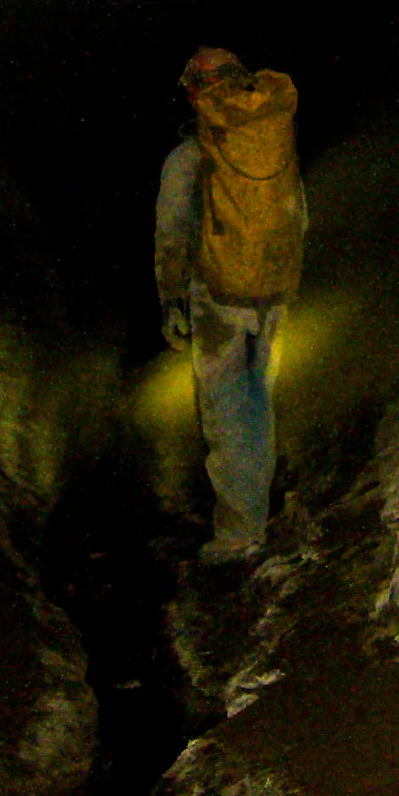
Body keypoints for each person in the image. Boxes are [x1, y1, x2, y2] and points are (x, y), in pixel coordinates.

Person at [155, 47, 307, 564]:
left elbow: (173, 236)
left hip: (217, 297)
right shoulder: (270, 141)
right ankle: (257, 513)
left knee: (226, 413)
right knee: (259, 403)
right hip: (273, 294)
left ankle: (241, 533)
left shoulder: (190, 157)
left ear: (198, 92)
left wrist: (170, 300)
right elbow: (297, 215)